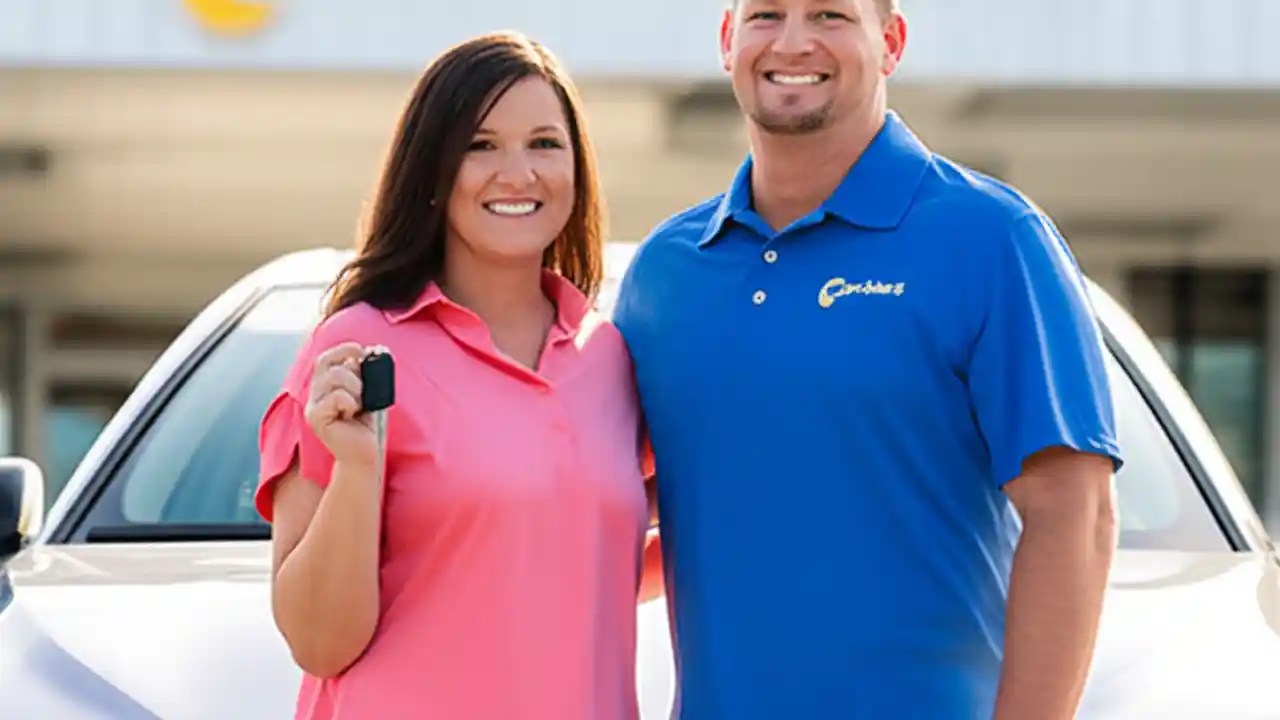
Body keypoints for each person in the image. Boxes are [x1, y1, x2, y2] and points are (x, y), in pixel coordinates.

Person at [614, 1, 1124, 718]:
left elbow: (1077, 513)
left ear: (890, 41)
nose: (793, 42)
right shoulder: (665, 272)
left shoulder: (991, 239)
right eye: (766, 15)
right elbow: (618, 510)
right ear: (729, 40)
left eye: (829, 14)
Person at [254, 31, 657, 720]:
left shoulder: (612, 357)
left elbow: (601, 564)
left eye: (544, 143)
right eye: (480, 145)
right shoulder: (357, 347)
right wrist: (356, 469)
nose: (517, 173)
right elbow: (319, 643)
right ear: (432, 170)